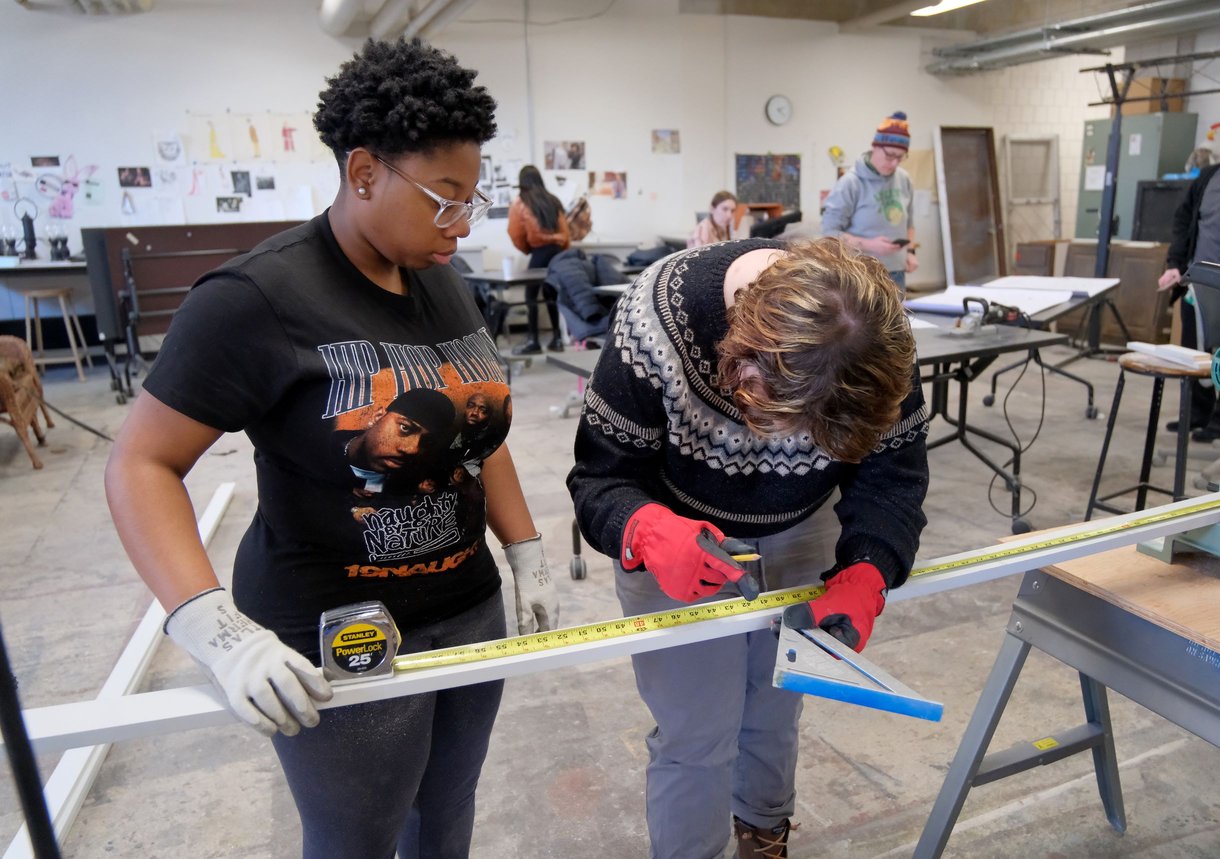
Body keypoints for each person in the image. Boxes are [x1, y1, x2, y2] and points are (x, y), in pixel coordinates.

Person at [104, 38, 559, 859]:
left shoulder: (444, 278)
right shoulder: (254, 298)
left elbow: (474, 431)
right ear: (362, 173)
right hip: (335, 630)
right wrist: (212, 626)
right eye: (442, 198)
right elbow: (141, 462)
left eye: (472, 198)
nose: (461, 223)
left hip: (467, 608)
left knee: (448, 812)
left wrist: (521, 543)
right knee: (357, 835)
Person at [567, 236, 929, 859]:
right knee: (696, 733)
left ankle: (765, 833)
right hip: (676, 532)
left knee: (776, 707)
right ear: (737, 364)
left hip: (800, 526)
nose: (797, 447)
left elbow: (892, 475)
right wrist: (644, 530)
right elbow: (601, 476)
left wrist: (869, 565)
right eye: (792, 426)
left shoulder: (877, 341)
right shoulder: (655, 320)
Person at [1156, 156, 1220, 439]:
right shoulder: (1208, 178)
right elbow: (1184, 220)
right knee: (1194, 352)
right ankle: (1197, 413)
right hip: (1199, 286)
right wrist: (1175, 264)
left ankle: (1218, 423)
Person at [821, 111, 918, 291]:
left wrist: (910, 252)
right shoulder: (851, 183)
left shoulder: (904, 179)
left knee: (898, 319)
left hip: (896, 272)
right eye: (890, 155)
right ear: (875, 147)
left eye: (901, 157)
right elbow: (829, 232)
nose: (894, 163)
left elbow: (909, 224)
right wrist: (869, 245)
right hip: (861, 273)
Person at [507, 164, 570, 354]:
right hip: (557, 253)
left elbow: (515, 233)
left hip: (539, 252)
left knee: (530, 296)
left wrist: (528, 250)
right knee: (552, 295)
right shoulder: (553, 201)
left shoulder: (520, 202)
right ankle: (557, 339)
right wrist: (561, 249)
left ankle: (533, 341)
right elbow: (565, 233)